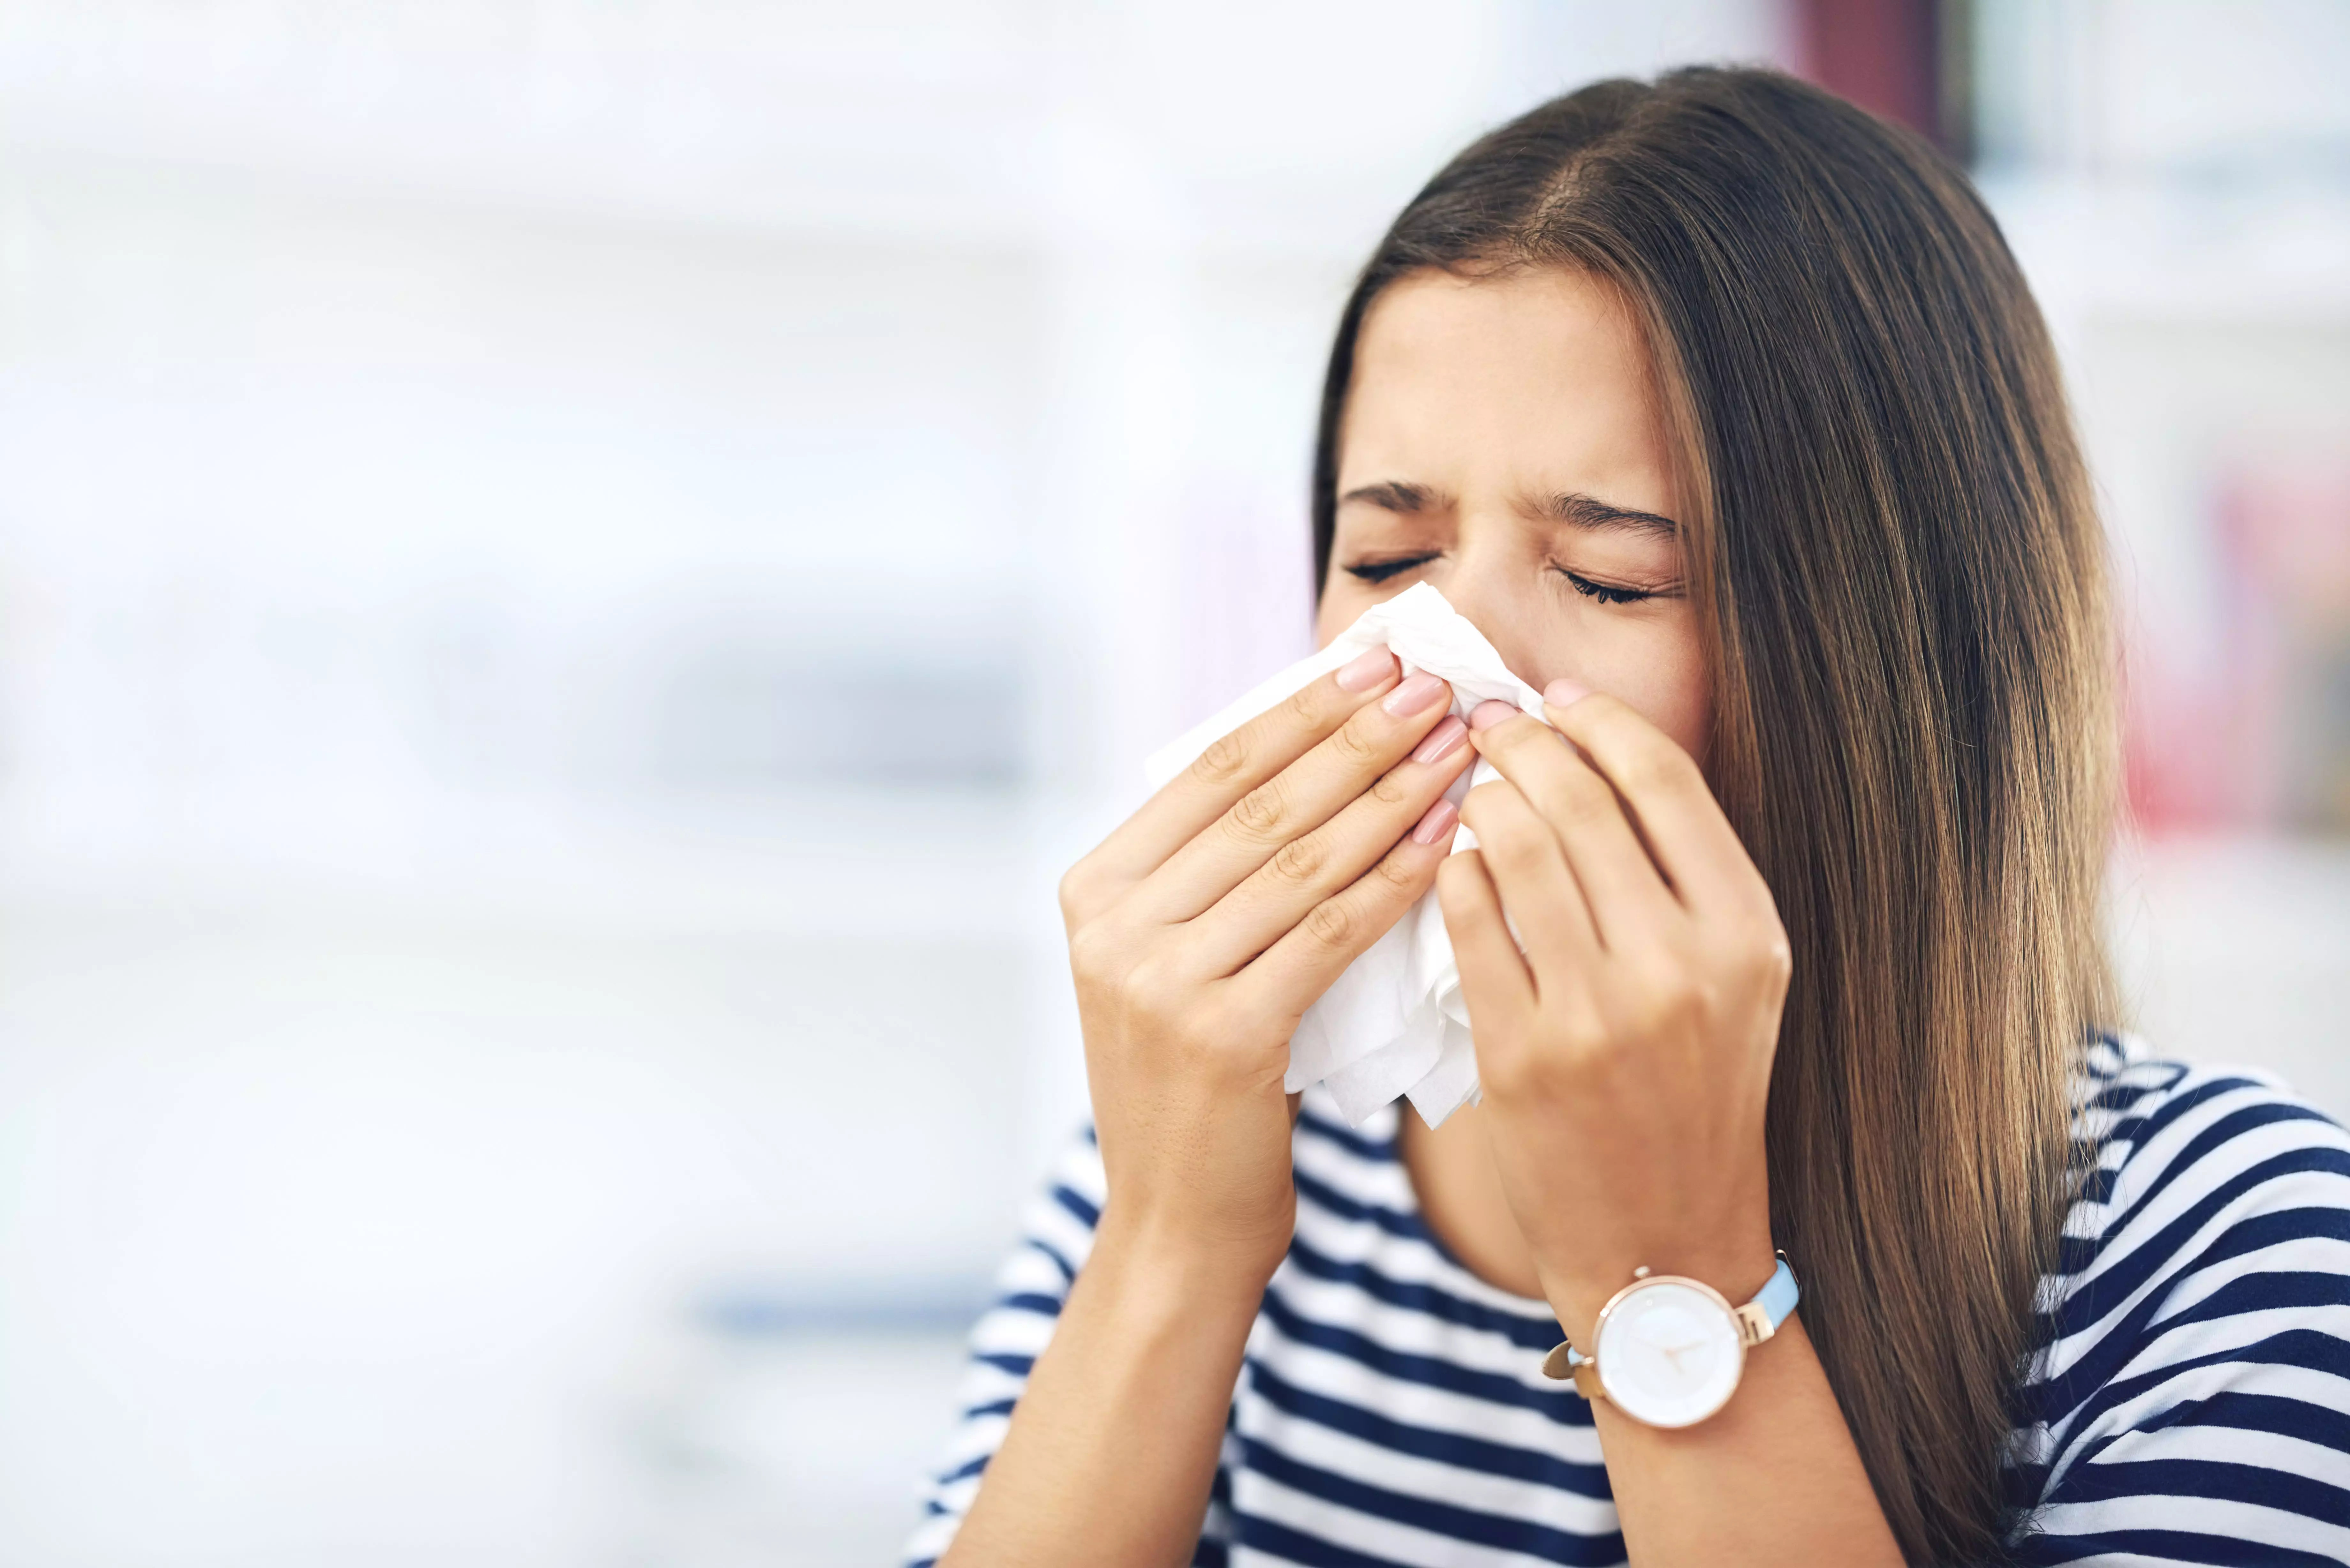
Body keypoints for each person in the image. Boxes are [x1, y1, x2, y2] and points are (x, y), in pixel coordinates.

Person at [906, 67, 2350, 1567]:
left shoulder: (2243, 1255)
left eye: (1613, 578)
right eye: (1389, 552)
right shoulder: (1211, 1155)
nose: (1440, 667)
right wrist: (1169, 1249)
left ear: (1898, 655)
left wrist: (1663, 1273)